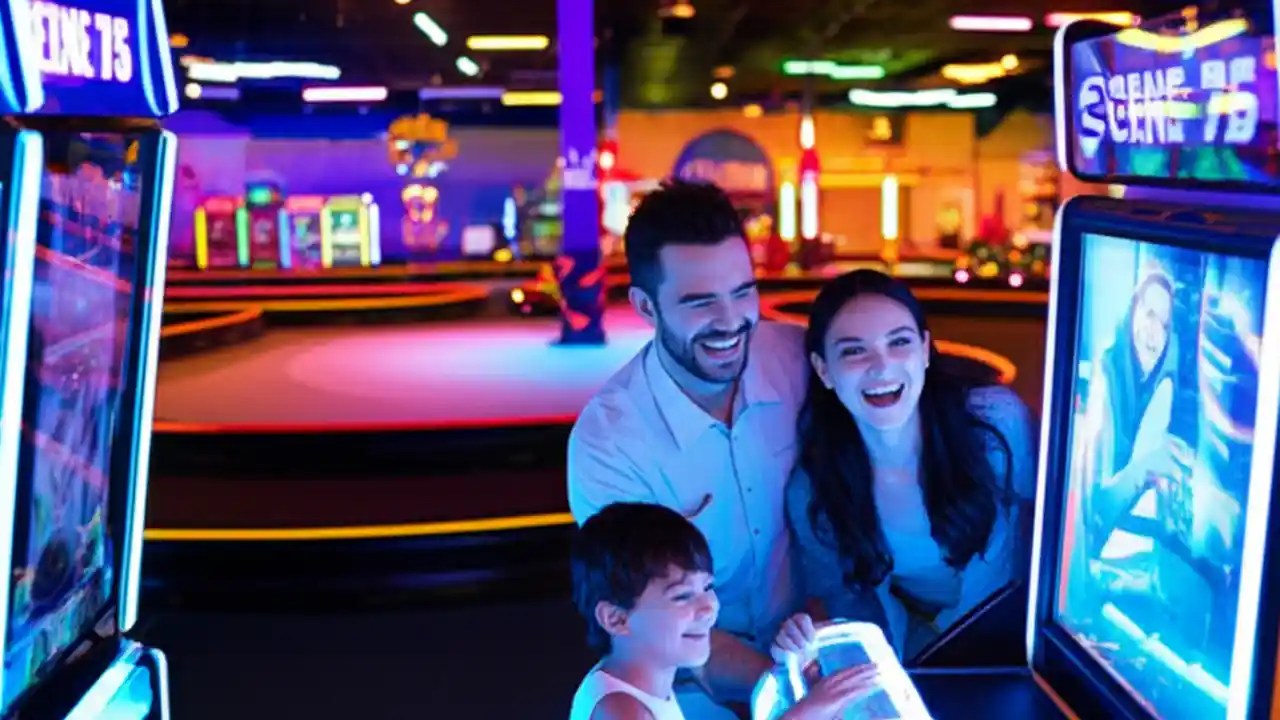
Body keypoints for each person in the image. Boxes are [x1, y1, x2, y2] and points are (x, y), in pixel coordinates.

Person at [567, 180, 808, 716]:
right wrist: (793, 693)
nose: (731, 321)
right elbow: (652, 625)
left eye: (743, 292)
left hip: (812, 644)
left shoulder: (794, 359)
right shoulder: (610, 444)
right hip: (689, 682)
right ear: (644, 307)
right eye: (701, 302)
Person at [781, 269, 1036, 659]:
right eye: (854, 351)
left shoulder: (996, 425)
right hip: (924, 649)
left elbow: (1056, 535)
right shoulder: (815, 488)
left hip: (1029, 639)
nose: (881, 367)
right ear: (823, 370)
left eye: (899, 343)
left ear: (924, 349)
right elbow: (842, 603)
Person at [569, 502, 882, 720]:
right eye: (681, 596)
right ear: (616, 618)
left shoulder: (643, 683)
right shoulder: (621, 710)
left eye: (707, 587)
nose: (708, 607)